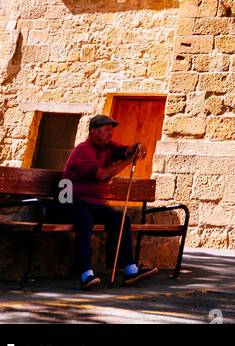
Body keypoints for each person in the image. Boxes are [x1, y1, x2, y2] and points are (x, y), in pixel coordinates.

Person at [52, 113, 158, 290]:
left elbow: (126, 150)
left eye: (111, 131)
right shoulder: (82, 150)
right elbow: (101, 174)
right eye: (107, 131)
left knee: (120, 219)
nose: (111, 135)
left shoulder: (108, 147)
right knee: (85, 219)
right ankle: (85, 273)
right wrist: (127, 162)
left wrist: (138, 147)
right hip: (68, 200)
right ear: (94, 132)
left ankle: (130, 270)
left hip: (91, 203)